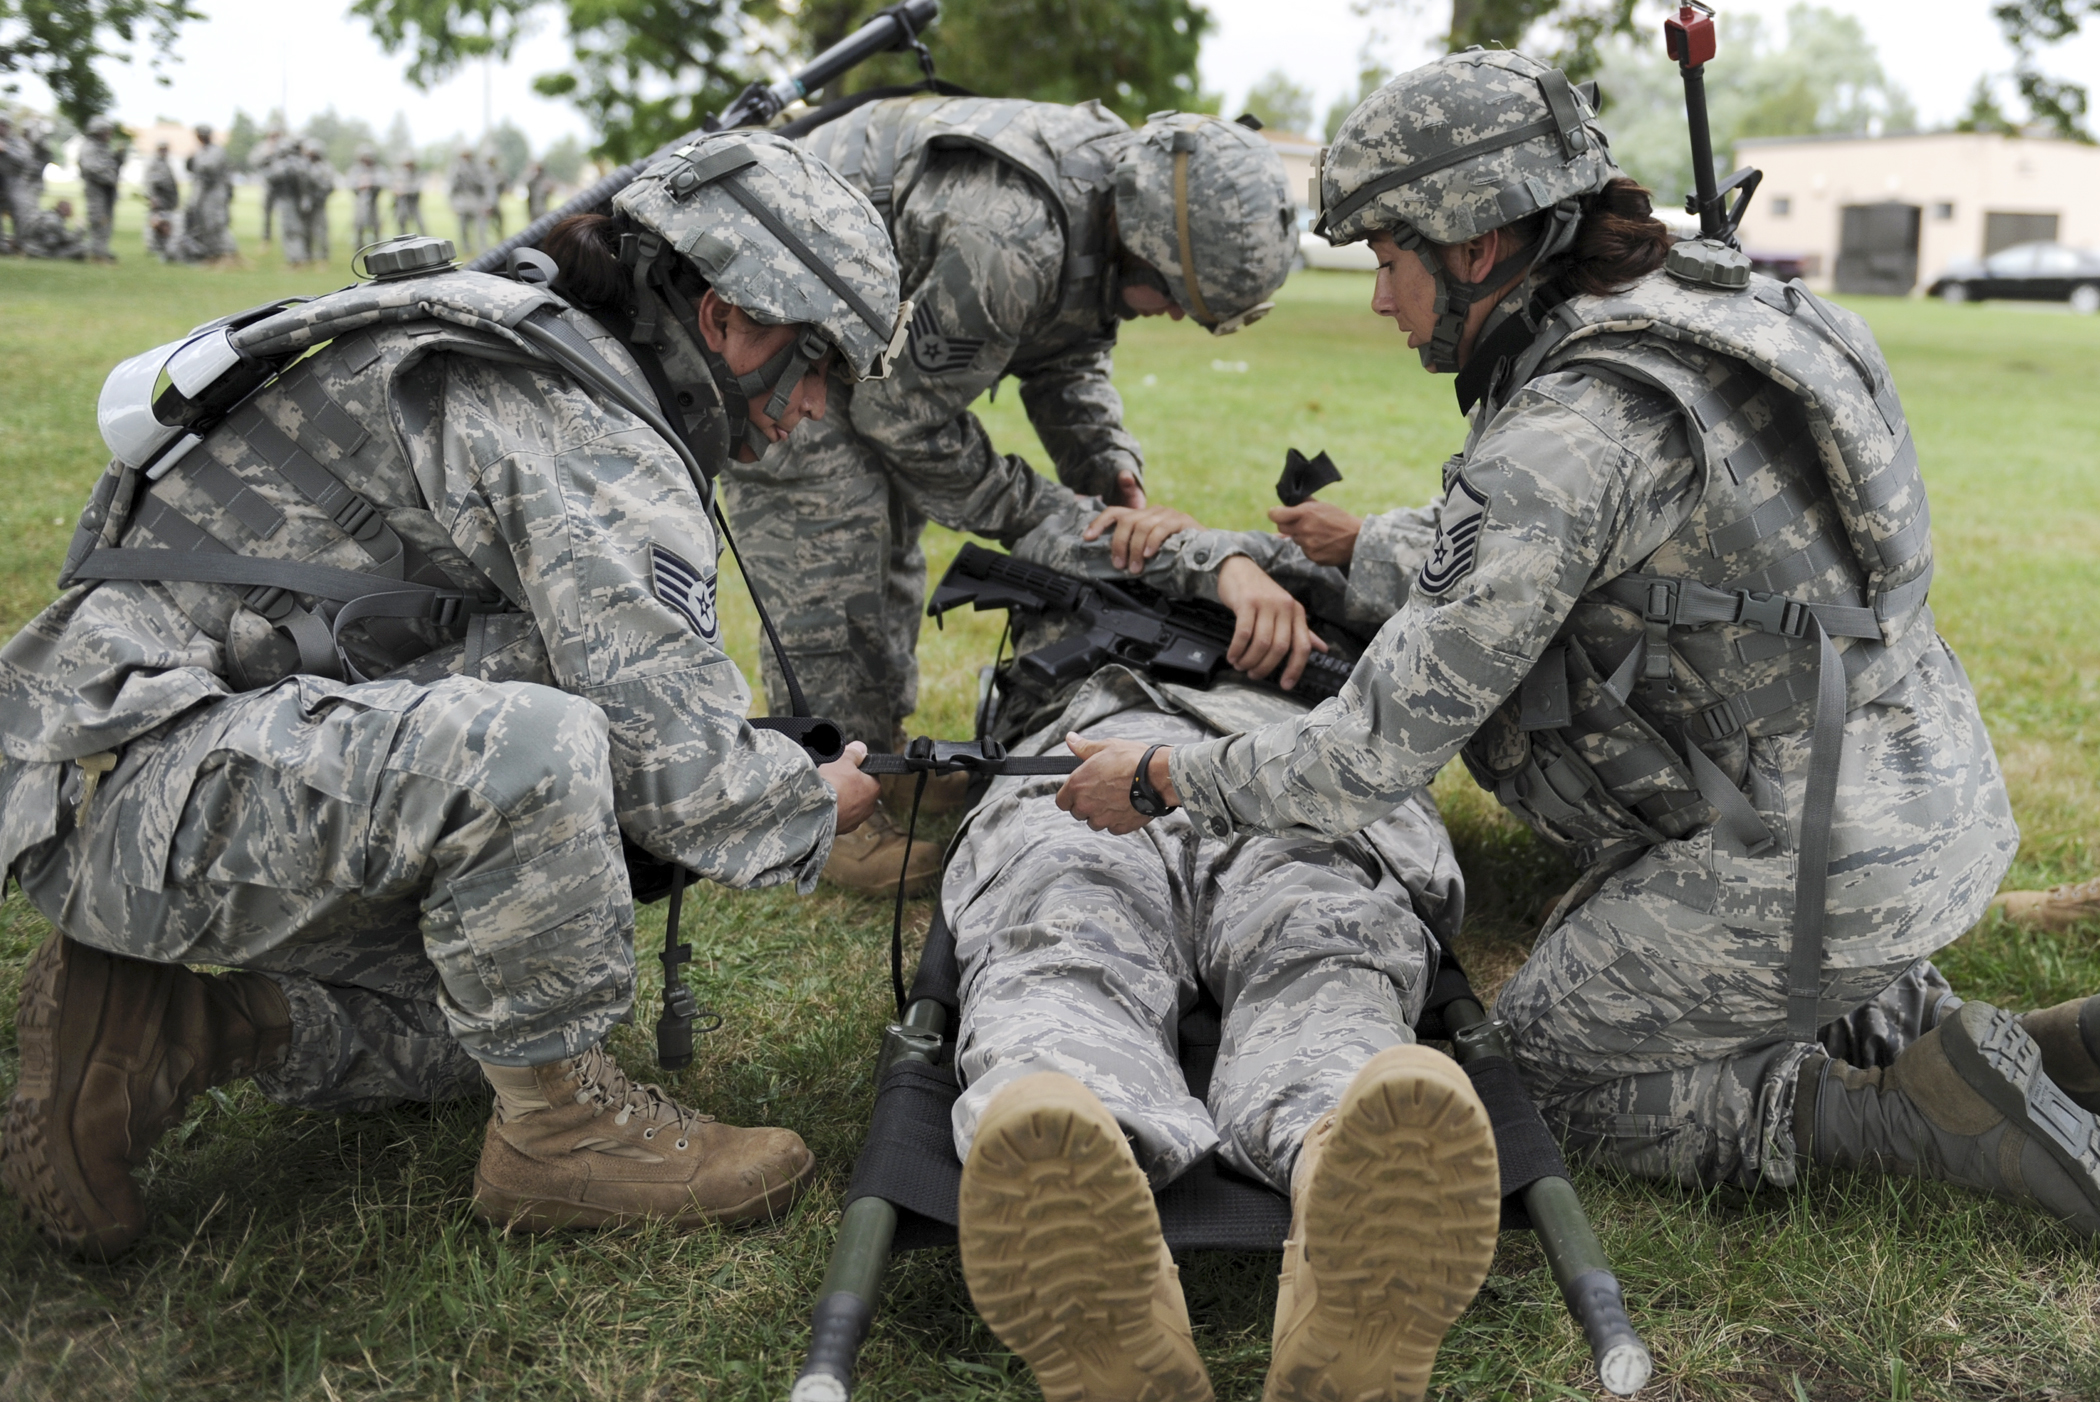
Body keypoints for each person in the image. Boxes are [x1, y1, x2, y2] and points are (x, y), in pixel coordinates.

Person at [1057, 50, 2100, 1241]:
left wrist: (1161, 777)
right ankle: (2027, 1053)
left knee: (1536, 1073)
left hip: (1807, 852)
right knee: (1696, 982)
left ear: (1477, 248)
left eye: (1390, 261)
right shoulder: (1727, 310)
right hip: (1924, 790)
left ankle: (1894, 1117)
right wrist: (1354, 545)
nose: (1382, 301)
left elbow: (1365, 756)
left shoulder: (1568, 434)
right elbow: (1603, 555)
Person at [0, 130, 906, 1260]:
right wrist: (813, 798)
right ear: (727, 317)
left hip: (139, 771)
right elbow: (683, 770)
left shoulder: (549, 357)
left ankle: (170, 1028)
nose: (817, 408)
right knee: (537, 744)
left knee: (497, 1001)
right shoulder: (579, 417)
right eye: (820, 366)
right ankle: (561, 1136)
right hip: (128, 783)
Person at [944, 499, 1500, 1402]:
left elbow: (1451, 609)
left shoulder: (1365, 577)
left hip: (1300, 776)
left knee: (1320, 933)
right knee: (1069, 912)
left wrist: (1279, 563)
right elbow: (1051, 521)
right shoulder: (1114, 546)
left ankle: (1346, 1160)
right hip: (1089, 763)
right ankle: (1071, 1139)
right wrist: (1216, 564)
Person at [722, 97, 1297, 897]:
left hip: (862, 344)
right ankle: (820, 801)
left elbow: (1066, 354)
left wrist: (1110, 474)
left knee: (891, 545)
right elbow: (903, 415)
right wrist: (1044, 517)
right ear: (1147, 241)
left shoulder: (1113, 205)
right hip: (774, 333)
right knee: (834, 546)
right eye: (1172, 295)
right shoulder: (1011, 236)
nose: (1170, 313)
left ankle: (872, 759)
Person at [170, 123, 236, 261]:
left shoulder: (217, 151)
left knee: (217, 222)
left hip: (216, 192)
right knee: (203, 223)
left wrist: (197, 160)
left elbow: (209, 168)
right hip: (203, 193)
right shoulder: (200, 151)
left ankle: (227, 252)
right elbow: (190, 167)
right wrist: (192, 157)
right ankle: (211, 253)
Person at [77, 117, 122, 262]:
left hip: (107, 191)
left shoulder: (104, 148)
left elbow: (113, 166)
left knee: (107, 222)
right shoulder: (89, 148)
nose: (109, 134)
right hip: (95, 191)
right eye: (106, 131)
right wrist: (108, 176)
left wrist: (119, 157)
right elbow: (90, 168)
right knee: (98, 221)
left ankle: (102, 250)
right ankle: (97, 253)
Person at [299, 138, 335, 264]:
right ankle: (307, 257)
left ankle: (323, 258)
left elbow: (329, 186)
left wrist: (318, 187)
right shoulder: (302, 165)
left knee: (321, 232)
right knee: (305, 231)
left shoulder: (325, 167)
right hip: (305, 203)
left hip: (319, 203)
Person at [142, 140, 180, 258]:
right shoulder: (154, 163)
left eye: (166, 149)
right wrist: (152, 197)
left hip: (168, 200)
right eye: (162, 149)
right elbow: (149, 182)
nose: (165, 151)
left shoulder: (166, 162)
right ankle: (152, 245)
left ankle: (163, 245)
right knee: (155, 221)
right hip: (159, 199)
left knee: (166, 222)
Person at [17, 197, 87, 260]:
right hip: (44, 252)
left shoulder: (48, 216)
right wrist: (80, 228)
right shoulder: (54, 222)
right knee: (83, 247)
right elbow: (69, 239)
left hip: (33, 247)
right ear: (65, 209)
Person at [448, 147, 485, 255]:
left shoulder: (477, 168)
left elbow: (482, 186)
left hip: (475, 202)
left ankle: (482, 246)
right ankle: (466, 248)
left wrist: (484, 203)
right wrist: (453, 205)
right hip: (462, 202)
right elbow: (452, 189)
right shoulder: (455, 169)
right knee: (463, 228)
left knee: (480, 227)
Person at [349, 145, 385, 251]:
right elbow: (350, 182)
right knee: (358, 225)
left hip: (373, 203)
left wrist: (372, 182)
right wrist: (359, 184)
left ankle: (378, 248)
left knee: (376, 225)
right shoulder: (355, 169)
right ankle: (359, 247)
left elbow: (384, 181)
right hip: (360, 203)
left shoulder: (377, 169)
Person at [392, 156, 426, 236]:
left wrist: (404, 190)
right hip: (402, 204)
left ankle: (426, 239)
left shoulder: (417, 174)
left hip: (413, 204)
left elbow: (417, 187)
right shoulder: (399, 173)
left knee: (420, 223)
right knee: (401, 223)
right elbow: (394, 185)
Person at [482, 151, 506, 243]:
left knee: (499, 224)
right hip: (485, 203)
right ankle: (483, 244)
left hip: (495, 202)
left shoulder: (498, 172)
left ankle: (501, 241)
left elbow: (502, 187)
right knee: (483, 225)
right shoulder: (482, 173)